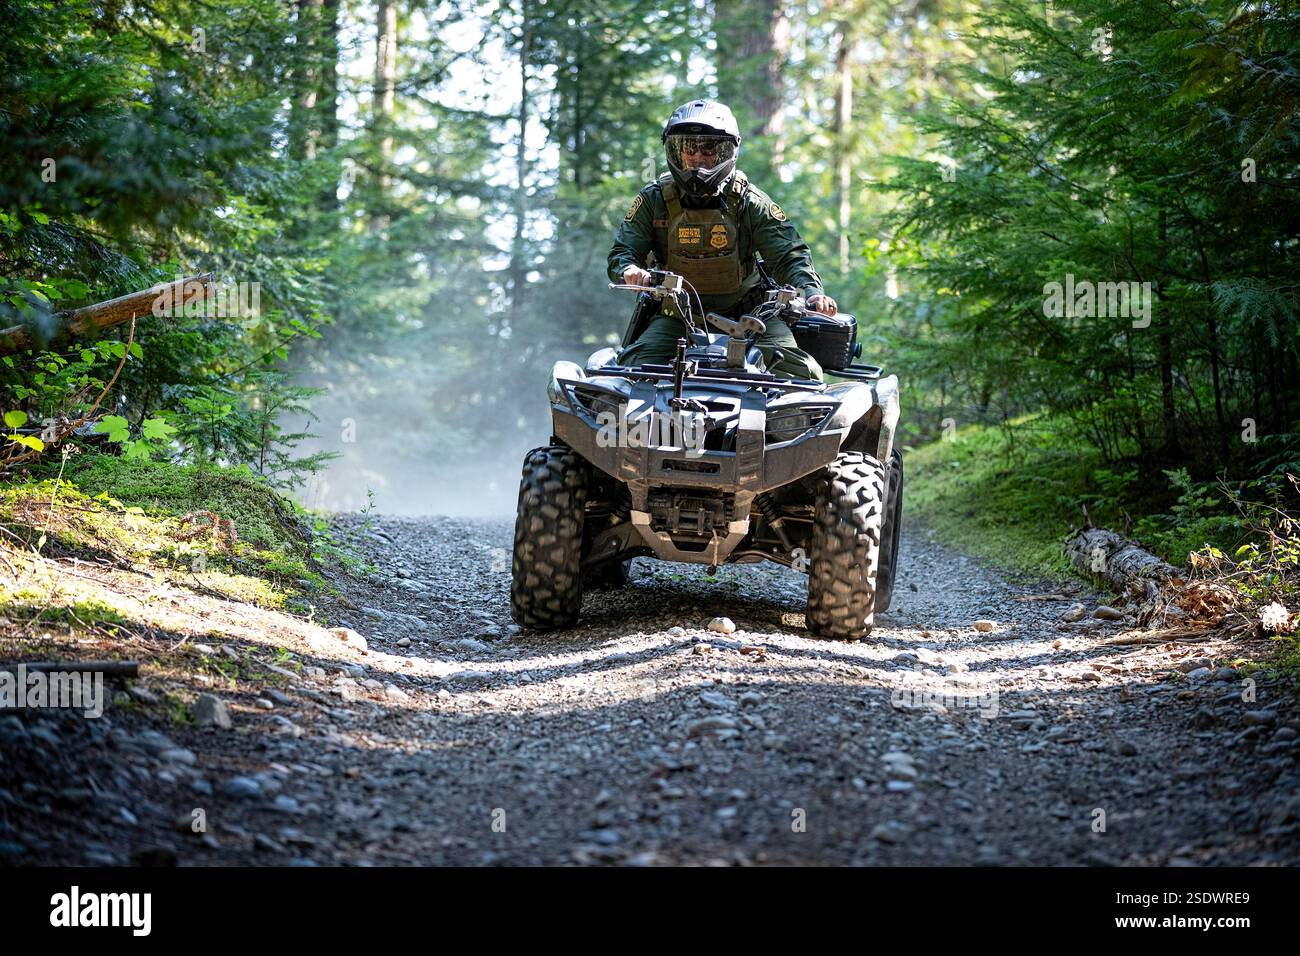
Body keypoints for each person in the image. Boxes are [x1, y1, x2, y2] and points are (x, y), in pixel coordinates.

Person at [608, 99, 838, 380]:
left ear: (726, 151)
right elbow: (623, 252)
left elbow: (789, 254)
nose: (696, 158)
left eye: (708, 148)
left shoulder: (750, 202)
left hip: (753, 316)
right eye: (688, 148)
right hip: (679, 317)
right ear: (674, 151)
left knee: (803, 376)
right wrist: (629, 271)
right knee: (628, 374)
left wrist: (812, 293)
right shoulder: (653, 200)